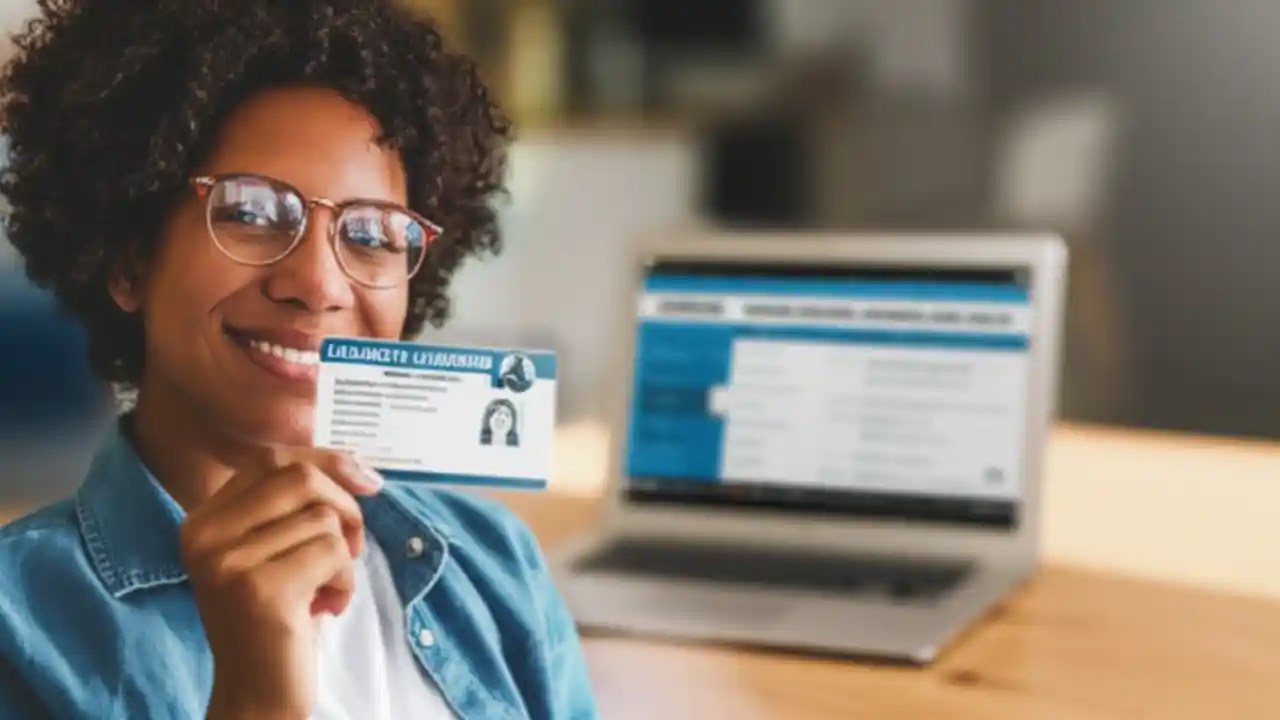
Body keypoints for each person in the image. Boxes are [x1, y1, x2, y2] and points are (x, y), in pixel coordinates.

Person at [0, 2, 596, 719]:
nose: (316, 283)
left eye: (371, 234)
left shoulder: (497, 564)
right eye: (250, 213)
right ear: (129, 262)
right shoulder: (19, 626)